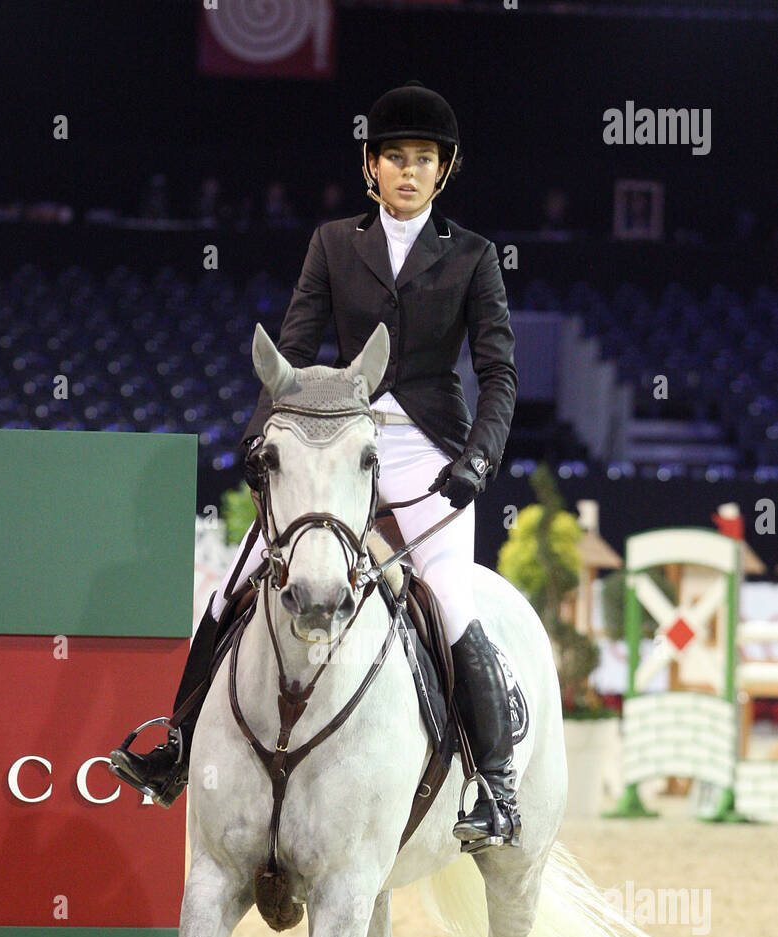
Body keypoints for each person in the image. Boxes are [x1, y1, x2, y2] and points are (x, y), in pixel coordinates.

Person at [111, 81, 520, 851]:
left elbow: (498, 373)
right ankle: (176, 747)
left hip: (427, 449)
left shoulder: (471, 255)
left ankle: (494, 787)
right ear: (371, 166)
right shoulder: (334, 243)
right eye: (394, 157)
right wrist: (258, 437)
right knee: (234, 583)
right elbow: (292, 353)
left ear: (443, 169)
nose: (407, 171)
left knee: (448, 600)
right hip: (336, 438)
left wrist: (477, 459)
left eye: (422, 159)